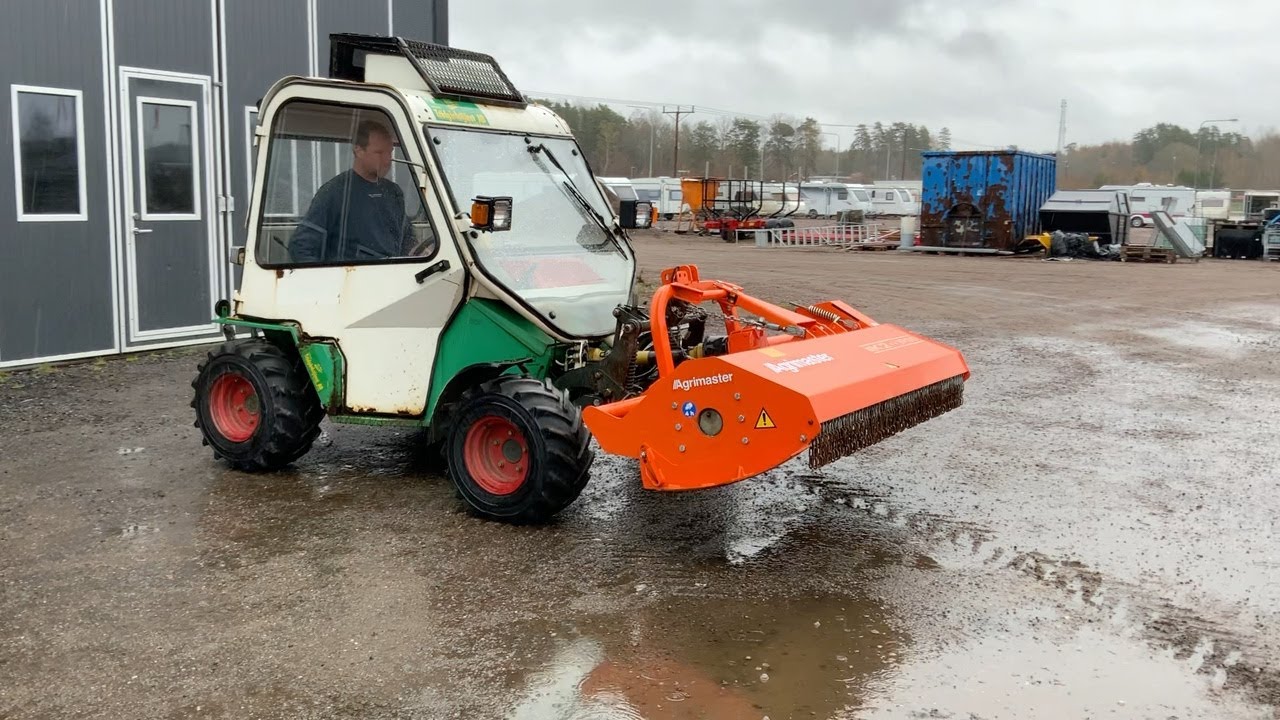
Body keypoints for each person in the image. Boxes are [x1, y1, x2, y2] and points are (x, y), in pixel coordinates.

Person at [289, 119, 424, 263]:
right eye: (379, 153)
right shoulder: (335, 192)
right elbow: (301, 246)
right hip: (354, 274)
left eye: (390, 152)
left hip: (395, 272)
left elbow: (407, 241)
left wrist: (421, 251)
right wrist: (328, 276)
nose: (387, 160)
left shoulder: (393, 192)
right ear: (358, 150)